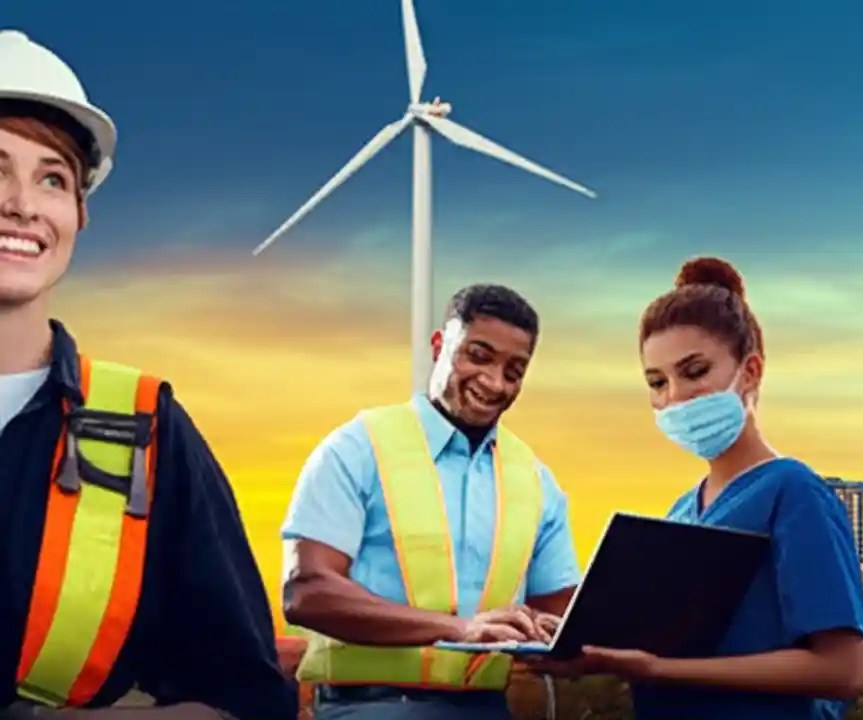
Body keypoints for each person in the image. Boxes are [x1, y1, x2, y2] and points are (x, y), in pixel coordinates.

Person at [0, 29, 299, 720]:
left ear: (79, 212)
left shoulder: (145, 430)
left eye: (52, 177)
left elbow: (243, 696)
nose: (22, 203)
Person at [535, 256, 863, 719]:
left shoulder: (793, 492)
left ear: (750, 372)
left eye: (694, 372)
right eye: (657, 382)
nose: (674, 397)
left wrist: (660, 669)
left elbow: (846, 670)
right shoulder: (680, 513)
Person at [280, 283, 582, 720]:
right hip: (369, 708)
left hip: (488, 709)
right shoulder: (357, 448)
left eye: (514, 370)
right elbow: (306, 591)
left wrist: (565, 638)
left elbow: (559, 611)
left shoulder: (538, 482)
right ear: (439, 346)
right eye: (477, 356)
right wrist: (460, 629)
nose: (494, 382)